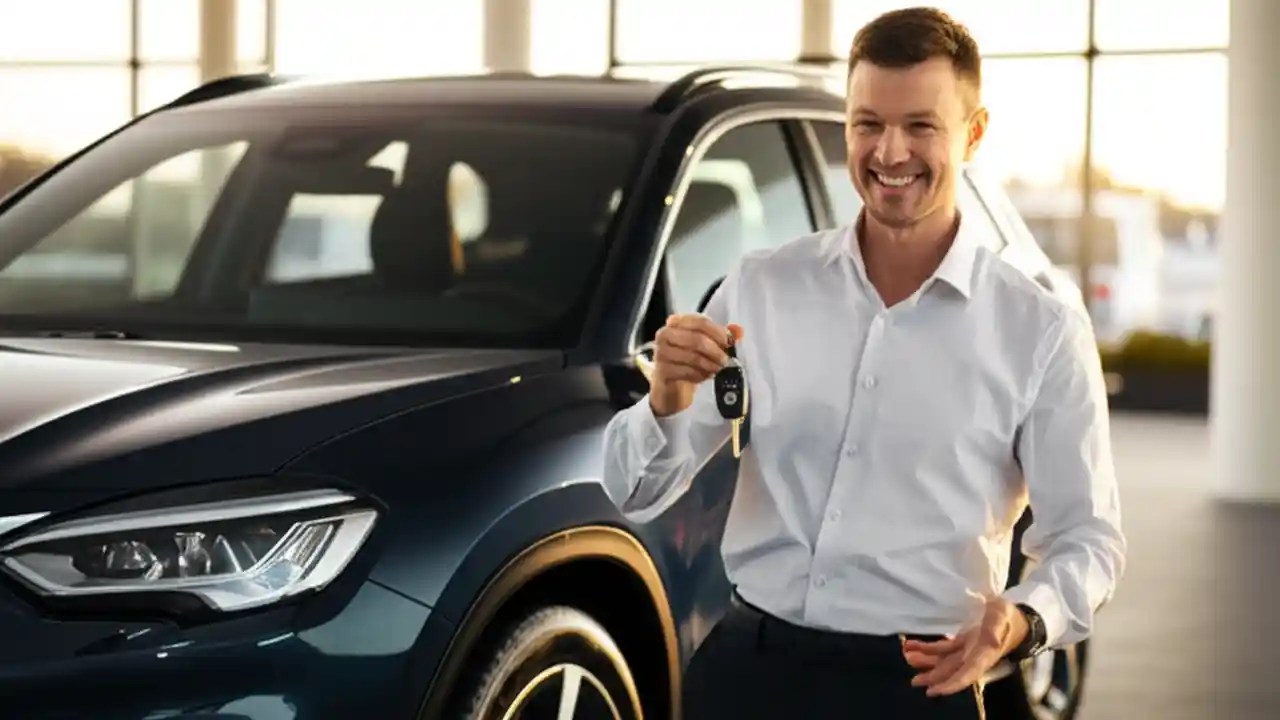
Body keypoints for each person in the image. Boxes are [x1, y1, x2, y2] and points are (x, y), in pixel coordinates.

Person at [600, 6, 1127, 719]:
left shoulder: (1039, 329)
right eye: (868, 123)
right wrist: (662, 404)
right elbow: (633, 490)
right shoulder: (761, 288)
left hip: (915, 689)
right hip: (745, 679)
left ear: (972, 134)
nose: (889, 152)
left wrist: (1021, 621)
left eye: (920, 126)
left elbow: (1088, 540)